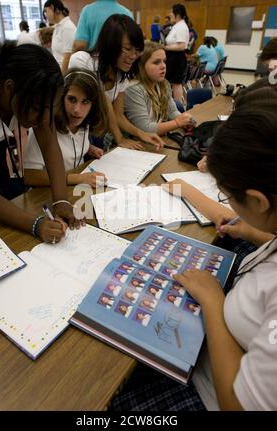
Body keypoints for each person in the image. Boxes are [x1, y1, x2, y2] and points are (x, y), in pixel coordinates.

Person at [111, 90, 277, 411]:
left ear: (258, 201)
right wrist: (251, 231)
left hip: (208, 391)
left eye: (227, 194)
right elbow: (229, 218)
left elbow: (237, 405)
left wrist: (214, 302)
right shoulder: (265, 224)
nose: (226, 202)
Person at [0, 42, 81, 243]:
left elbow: (50, 144)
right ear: (9, 88)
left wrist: (61, 199)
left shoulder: (33, 96)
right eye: (37, 108)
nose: (43, 118)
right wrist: (36, 224)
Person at [69, 14, 164, 151]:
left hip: (91, 134)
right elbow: (103, 101)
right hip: (71, 134)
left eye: (137, 51)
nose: (133, 56)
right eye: (127, 49)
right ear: (110, 45)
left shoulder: (121, 74)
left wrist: (142, 134)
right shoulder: (83, 61)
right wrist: (119, 138)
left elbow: (118, 115)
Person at [24, 69, 108, 188]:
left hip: (75, 189)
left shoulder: (84, 123)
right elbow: (29, 175)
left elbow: (69, 142)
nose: (77, 109)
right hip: (46, 194)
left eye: (85, 101)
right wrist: (78, 178)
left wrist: (89, 147)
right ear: (60, 97)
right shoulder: (43, 127)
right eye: (72, 99)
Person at [124, 41, 194, 136]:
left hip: (153, 140)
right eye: (156, 62)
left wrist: (184, 121)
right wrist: (177, 123)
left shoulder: (163, 84)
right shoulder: (133, 89)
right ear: (141, 66)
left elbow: (172, 111)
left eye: (164, 61)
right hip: (132, 144)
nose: (163, 66)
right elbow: (145, 128)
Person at [164, 4, 190, 102]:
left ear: (177, 14)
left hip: (176, 58)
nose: (169, 14)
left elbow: (181, 46)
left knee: (176, 83)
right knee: (173, 83)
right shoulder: (177, 26)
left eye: (171, 12)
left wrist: (165, 47)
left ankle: (177, 106)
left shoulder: (181, 27)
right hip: (173, 57)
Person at [43, 0, 76, 74]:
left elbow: (68, 56)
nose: (45, 14)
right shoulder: (58, 26)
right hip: (57, 70)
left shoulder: (67, 27)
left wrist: (61, 78)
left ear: (53, 8)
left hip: (65, 73)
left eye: (46, 11)